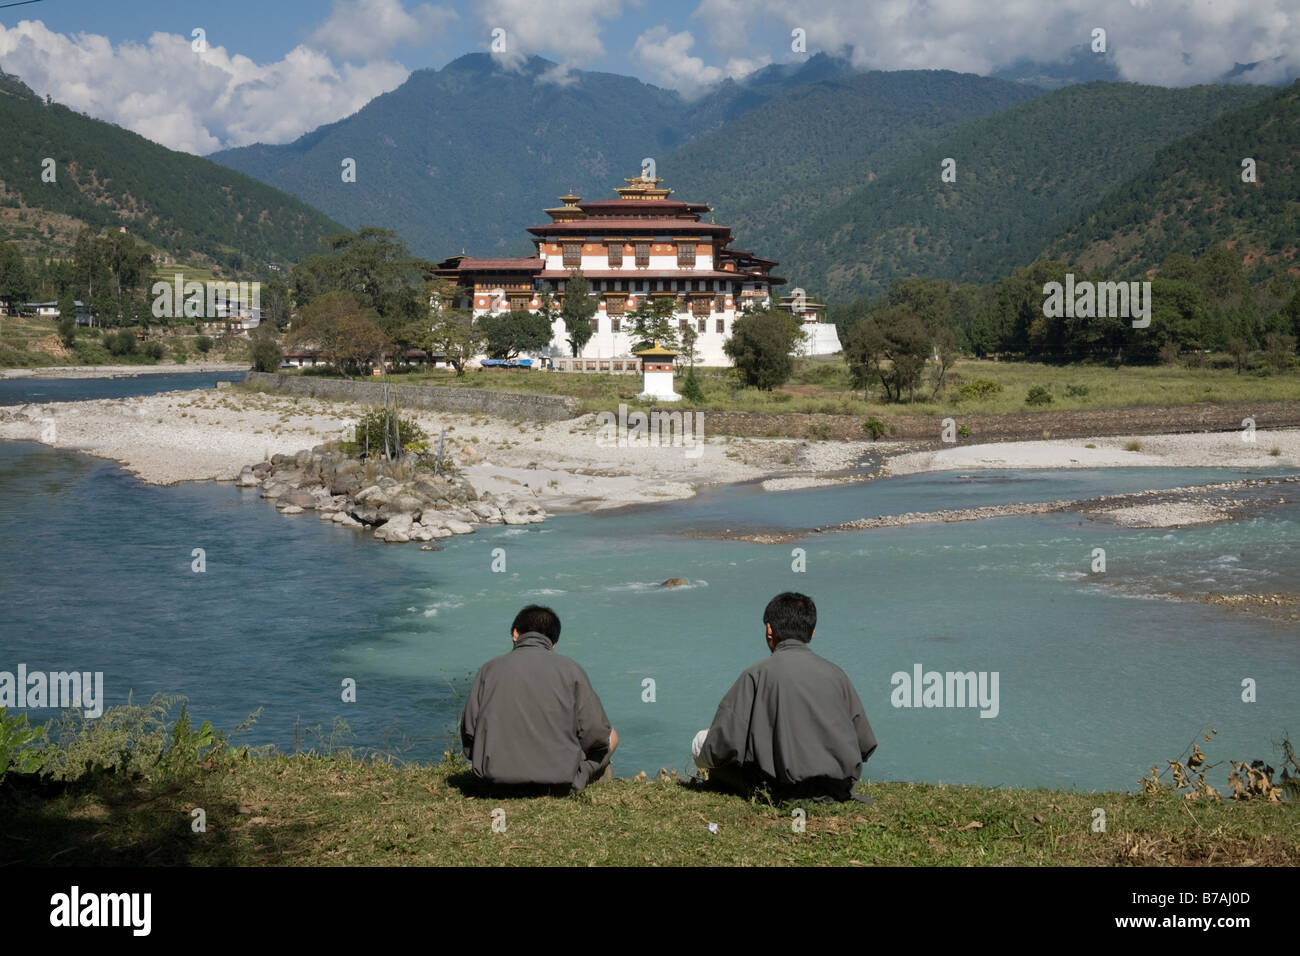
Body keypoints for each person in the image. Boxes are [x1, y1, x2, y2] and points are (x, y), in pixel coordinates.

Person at [692, 592, 877, 803]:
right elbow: (865, 744)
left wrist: (702, 743)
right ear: (812, 632)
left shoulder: (755, 675)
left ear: (769, 629)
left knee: (709, 753)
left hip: (781, 790)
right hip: (837, 789)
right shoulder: (837, 674)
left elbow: (721, 747)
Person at [460, 605, 618, 794]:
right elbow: (597, 734)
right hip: (557, 784)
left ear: (515, 634)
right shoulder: (571, 670)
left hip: (493, 783)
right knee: (612, 736)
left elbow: (469, 733)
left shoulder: (489, 669)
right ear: (553, 644)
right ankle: (581, 781)